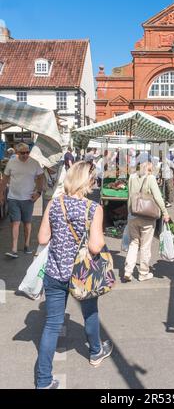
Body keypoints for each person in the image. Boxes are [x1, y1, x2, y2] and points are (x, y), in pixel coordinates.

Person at [36, 161, 112, 389]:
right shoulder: (93, 208)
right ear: (88, 181)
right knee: (90, 313)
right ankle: (96, 352)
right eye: (94, 179)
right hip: (82, 274)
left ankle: (43, 381)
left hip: (55, 272)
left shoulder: (54, 203)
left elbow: (41, 239)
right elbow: (96, 246)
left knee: (52, 325)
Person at [124, 154, 169, 282]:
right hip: (147, 217)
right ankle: (143, 273)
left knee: (133, 243)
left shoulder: (132, 177)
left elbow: (129, 196)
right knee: (145, 246)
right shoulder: (150, 179)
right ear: (149, 167)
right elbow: (158, 197)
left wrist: (129, 212)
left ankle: (128, 270)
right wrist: (165, 212)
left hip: (132, 214)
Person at [0, 143, 44, 258]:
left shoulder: (34, 163)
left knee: (27, 223)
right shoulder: (11, 162)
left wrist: (38, 192)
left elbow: (41, 177)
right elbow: (4, 179)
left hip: (28, 199)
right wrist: (1, 194)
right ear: (17, 152)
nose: (25, 155)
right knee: (15, 222)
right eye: (22, 153)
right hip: (13, 198)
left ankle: (26, 245)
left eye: (27, 152)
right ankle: (14, 249)